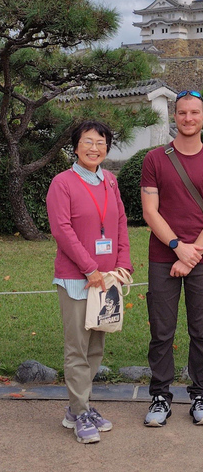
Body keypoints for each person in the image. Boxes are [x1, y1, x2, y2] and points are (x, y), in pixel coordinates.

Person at [46, 120, 133, 444]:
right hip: (77, 280)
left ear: (107, 148)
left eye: (101, 142)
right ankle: (80, 411)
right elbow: (62, 230)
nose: (94, 148)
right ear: (75, 146)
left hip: (107, 279)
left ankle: (77, 408)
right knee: (78, 349)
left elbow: (120, 221)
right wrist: (89, 269)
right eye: (88, 142)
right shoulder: (62, 183)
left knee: (96, 346)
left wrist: (123, 263)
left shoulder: (110, 180)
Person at [141, 89, 203, 427]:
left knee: (201, 329)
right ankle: (160, 396)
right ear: (174, 116)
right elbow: (150, 211)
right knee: (162, 331)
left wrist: (191, 255)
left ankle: (200, 394)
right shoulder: (155, 159)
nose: (188, 118)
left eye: (194, 112)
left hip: (200, 256)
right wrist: (178, 247)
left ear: (202, 117)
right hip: (163, 256)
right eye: (182, 112)